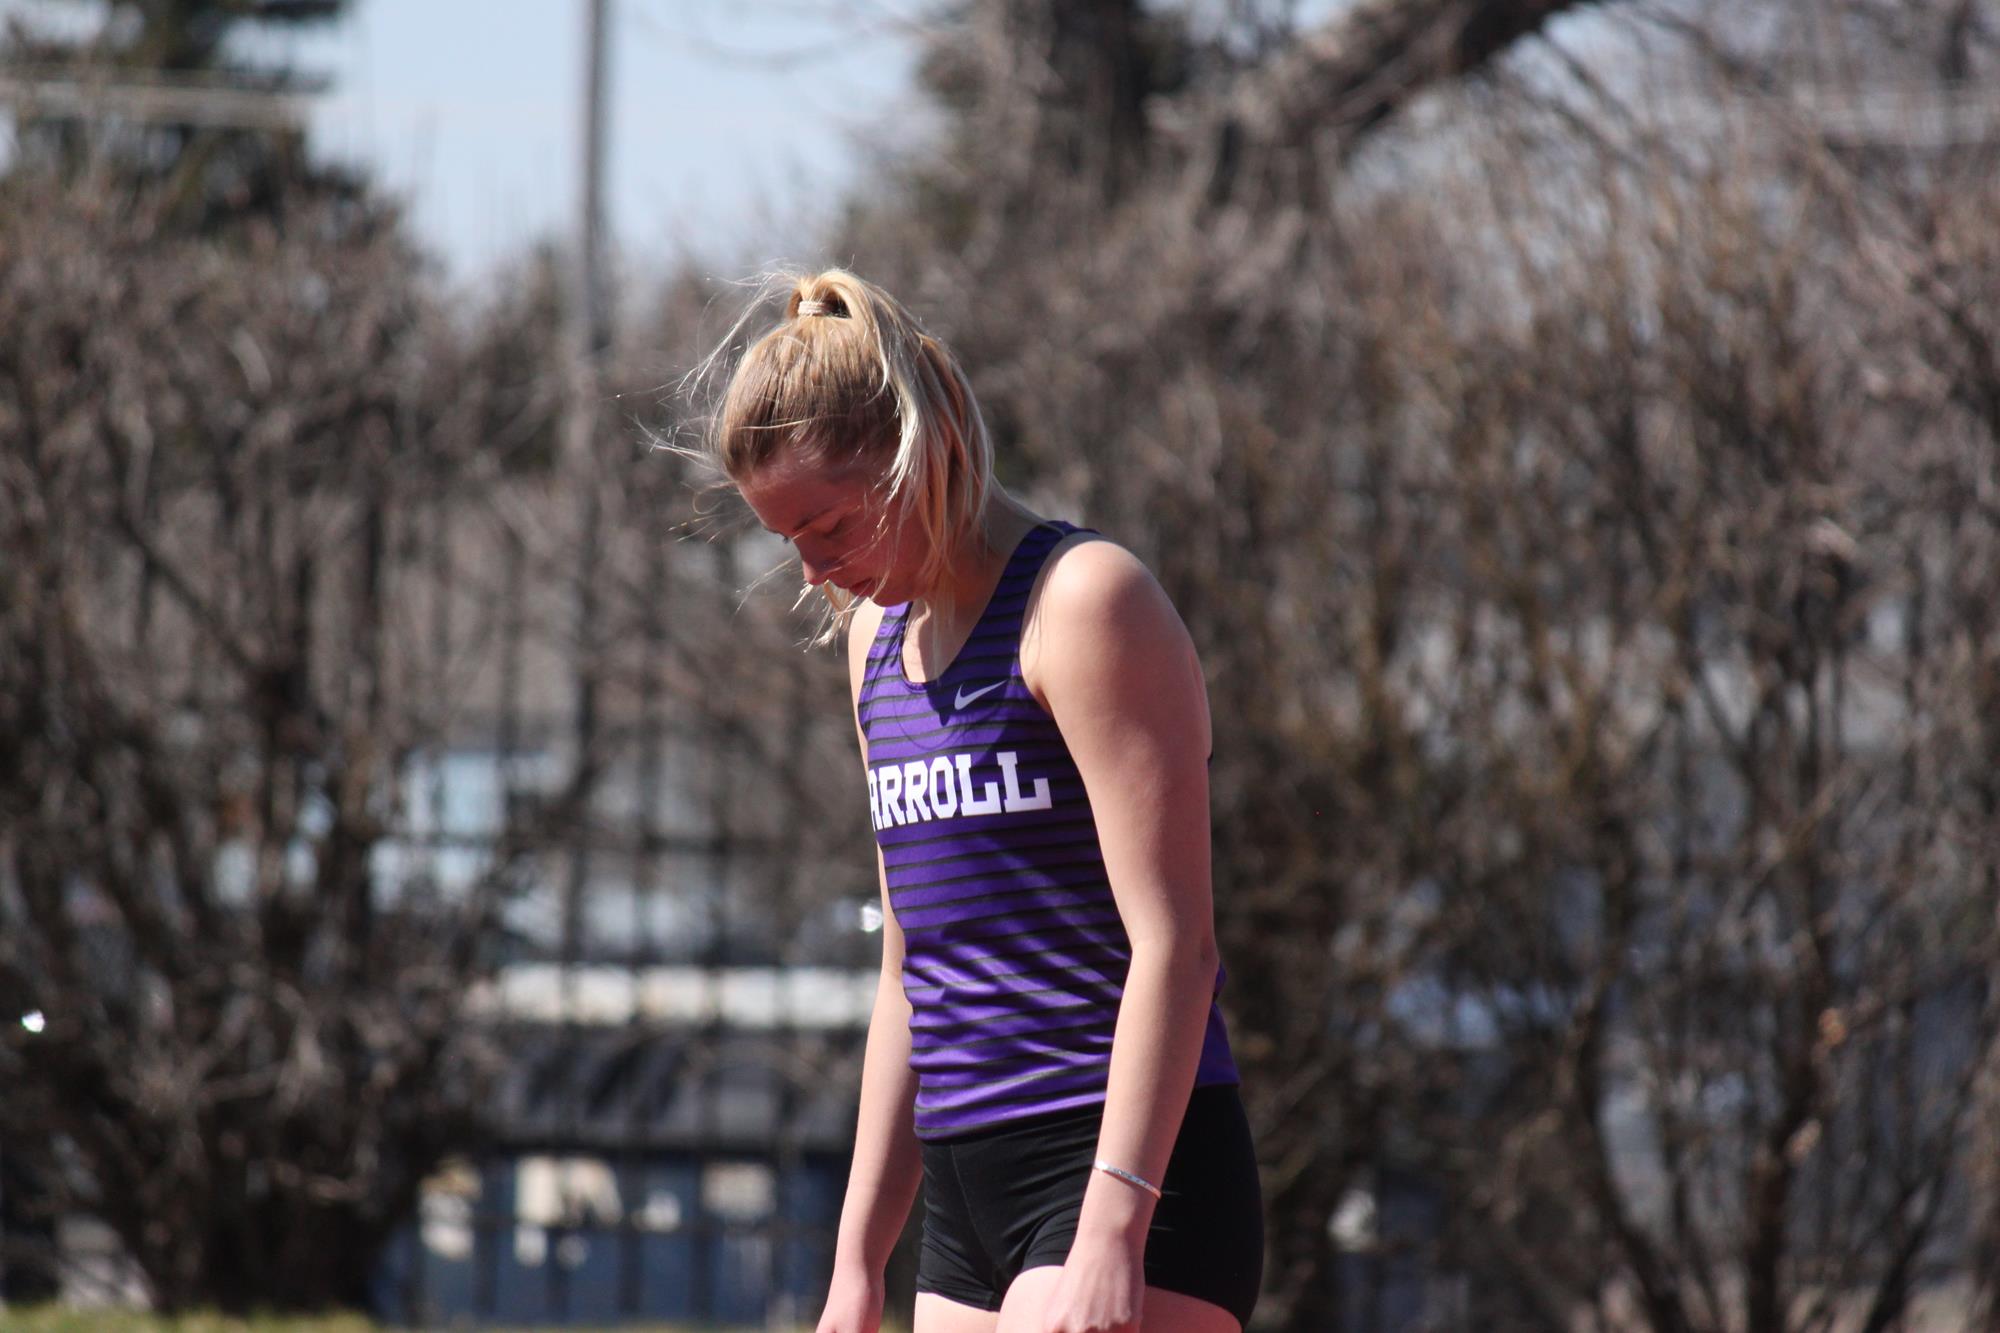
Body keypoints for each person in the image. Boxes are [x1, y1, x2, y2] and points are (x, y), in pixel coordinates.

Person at [701, 267, 1262, 1333]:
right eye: (789, 543)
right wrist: (857, 1266)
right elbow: (909, 967)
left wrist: (1111, 1227)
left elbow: (1176, 945)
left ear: (921, 450)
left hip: (1126, 1166)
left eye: (827, 525)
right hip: (965, 1189)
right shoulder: (872, 643)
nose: (813, 570)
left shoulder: (1085, 603)